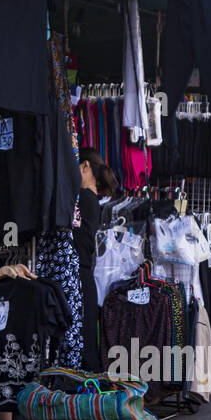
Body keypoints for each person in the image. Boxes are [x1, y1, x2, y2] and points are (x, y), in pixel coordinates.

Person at [75, 149, 118, 370]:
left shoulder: (83, 198)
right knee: (87, 330)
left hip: (80, 272)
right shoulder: (92, 199)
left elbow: (79, 238)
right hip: (85, 272)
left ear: (85, 166)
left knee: (82, 331)